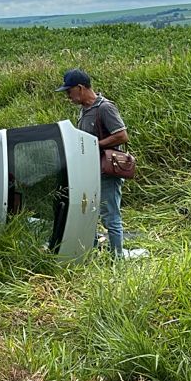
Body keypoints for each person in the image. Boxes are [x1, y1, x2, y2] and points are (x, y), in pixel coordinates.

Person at [60, 68, 145, 259]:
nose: (68, 96)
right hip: (91, 173)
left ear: (80, 88)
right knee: (89, 215)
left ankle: (117, 258)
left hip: (107, 172)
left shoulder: (105, 107)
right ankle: (91, 254)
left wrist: (94, 145)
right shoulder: (84, 111)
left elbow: (122, 135)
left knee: (111, 217)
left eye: (69, 91)